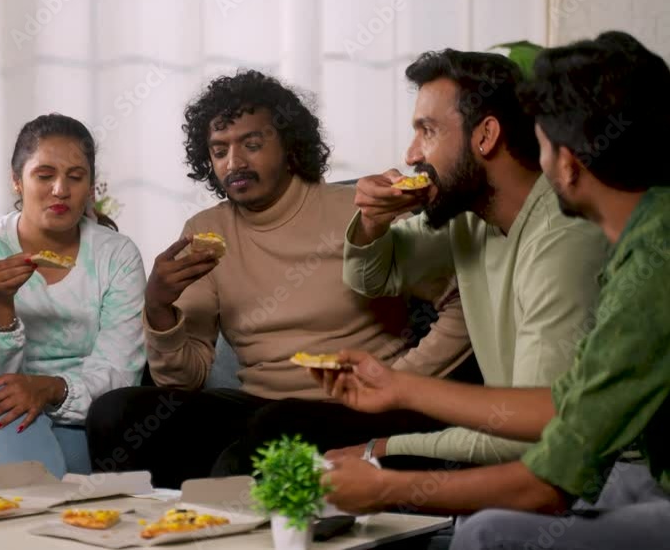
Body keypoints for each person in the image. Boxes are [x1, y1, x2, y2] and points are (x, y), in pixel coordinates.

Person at [316, 31, 670, 550]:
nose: (534, 159)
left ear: (568, 163)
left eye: (541, 141)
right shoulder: (645, 237)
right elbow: (561, 407)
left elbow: (549, 482)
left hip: (639, 483)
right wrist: (397, 386)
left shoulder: (640, 264)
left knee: (487, 532)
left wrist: (386, 484)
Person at [86, 70, 474, 488]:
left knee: (269, 432)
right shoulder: (205, 230)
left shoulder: (363, 211)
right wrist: (159, 306)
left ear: (290, 146)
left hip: (356, 407)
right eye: (219, 151)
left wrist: (402, 381)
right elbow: (185, 379)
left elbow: (461, 302)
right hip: (258, 407)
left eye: (252, 145)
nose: (233, 163)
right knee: (115, 413)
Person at [335, 48, 609, 465]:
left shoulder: (562, 239)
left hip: (590, 472)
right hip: (515, 448)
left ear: (486, 136)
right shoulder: (468, 217)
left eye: (427, 131)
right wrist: (373, 221)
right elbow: (372, 276)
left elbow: (535, 435)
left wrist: (380, 451)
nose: (411, 155)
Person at [0, 114, 146, 479]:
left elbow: (120, 373)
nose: (60, 190)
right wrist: (1, 303)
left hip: (81, 413)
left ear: (90, 186)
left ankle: (32, 524)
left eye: (75, 177)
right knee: (13, 408)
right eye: (45, 175)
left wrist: (49, 388)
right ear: (16, 180)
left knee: (67, 462)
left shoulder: (117, 255)